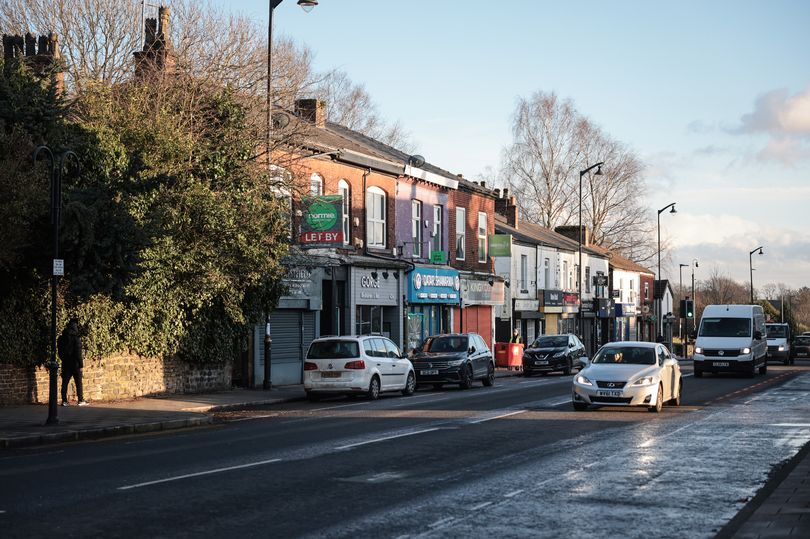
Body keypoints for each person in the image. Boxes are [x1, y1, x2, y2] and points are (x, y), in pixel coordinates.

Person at [58, 317, 87, 406]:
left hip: (66, 363)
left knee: (65, 382)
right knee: (78, 382)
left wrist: (64, 359)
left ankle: (64, 401)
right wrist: (81, 365)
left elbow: (59, 351)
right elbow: (78, 353)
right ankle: (81, 400)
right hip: (75, 364)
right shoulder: (76, 338)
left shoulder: (61, 338)